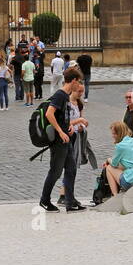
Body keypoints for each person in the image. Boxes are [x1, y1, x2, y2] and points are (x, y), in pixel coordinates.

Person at [38, 69, 87, 212]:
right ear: (73, 81)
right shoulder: (60, 95)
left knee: (71, 169)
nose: (79, 85)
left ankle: (70, 202)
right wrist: (60, 131)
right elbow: (49, 114)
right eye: (78, 82)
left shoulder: (65, 96)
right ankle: (44, 200)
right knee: (55, 171)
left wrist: (69, 126)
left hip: (66, 138)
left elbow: (62, 118)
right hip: (59, 141)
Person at [100, 120, 133, 197]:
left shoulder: (120, 146)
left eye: (114, 134)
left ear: (119, 134)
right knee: (123, 167)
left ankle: (115, 195)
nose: (112, 136)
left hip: (130, 180)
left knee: (108, 168)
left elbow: (114, 164)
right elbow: (130, 163)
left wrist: (108, 159)